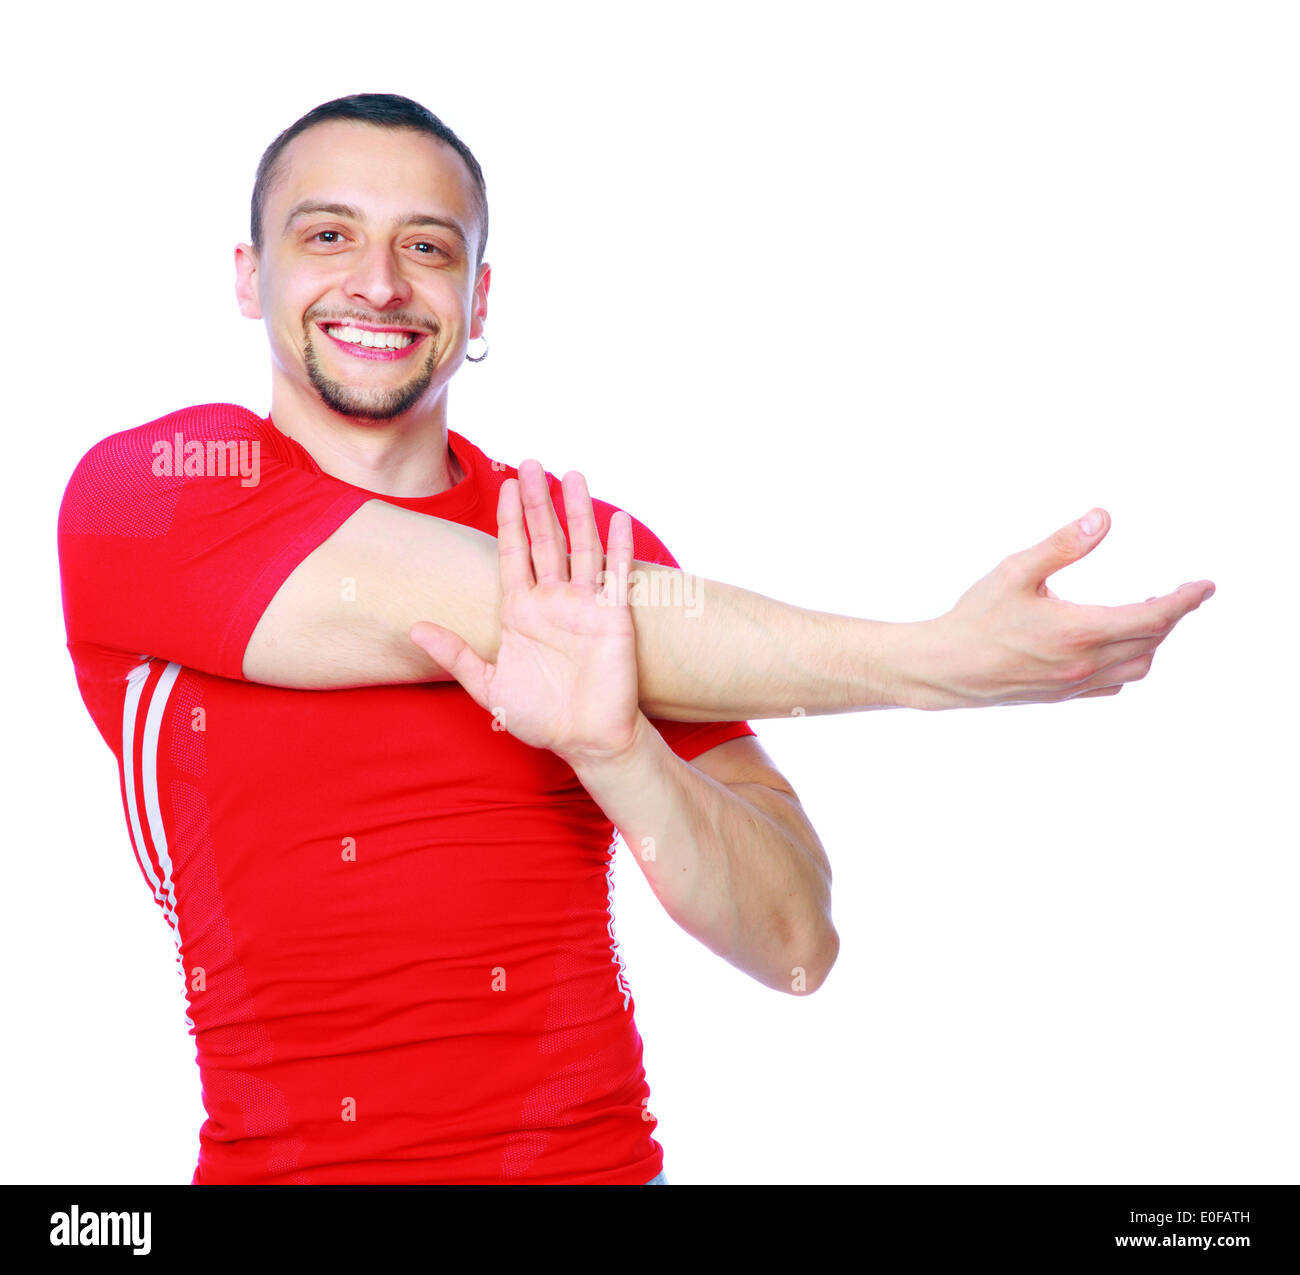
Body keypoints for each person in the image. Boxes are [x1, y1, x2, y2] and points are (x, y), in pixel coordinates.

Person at [56, 93, 1214, 1186]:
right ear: (250, 278)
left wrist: (619, 755)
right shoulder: (151, 497)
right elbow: (473, 598)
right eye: (326, 235)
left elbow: (795, 943)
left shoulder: (583, 543)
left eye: (426, 246)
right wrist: (936, 662)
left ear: (479, 294)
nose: (378, 283)